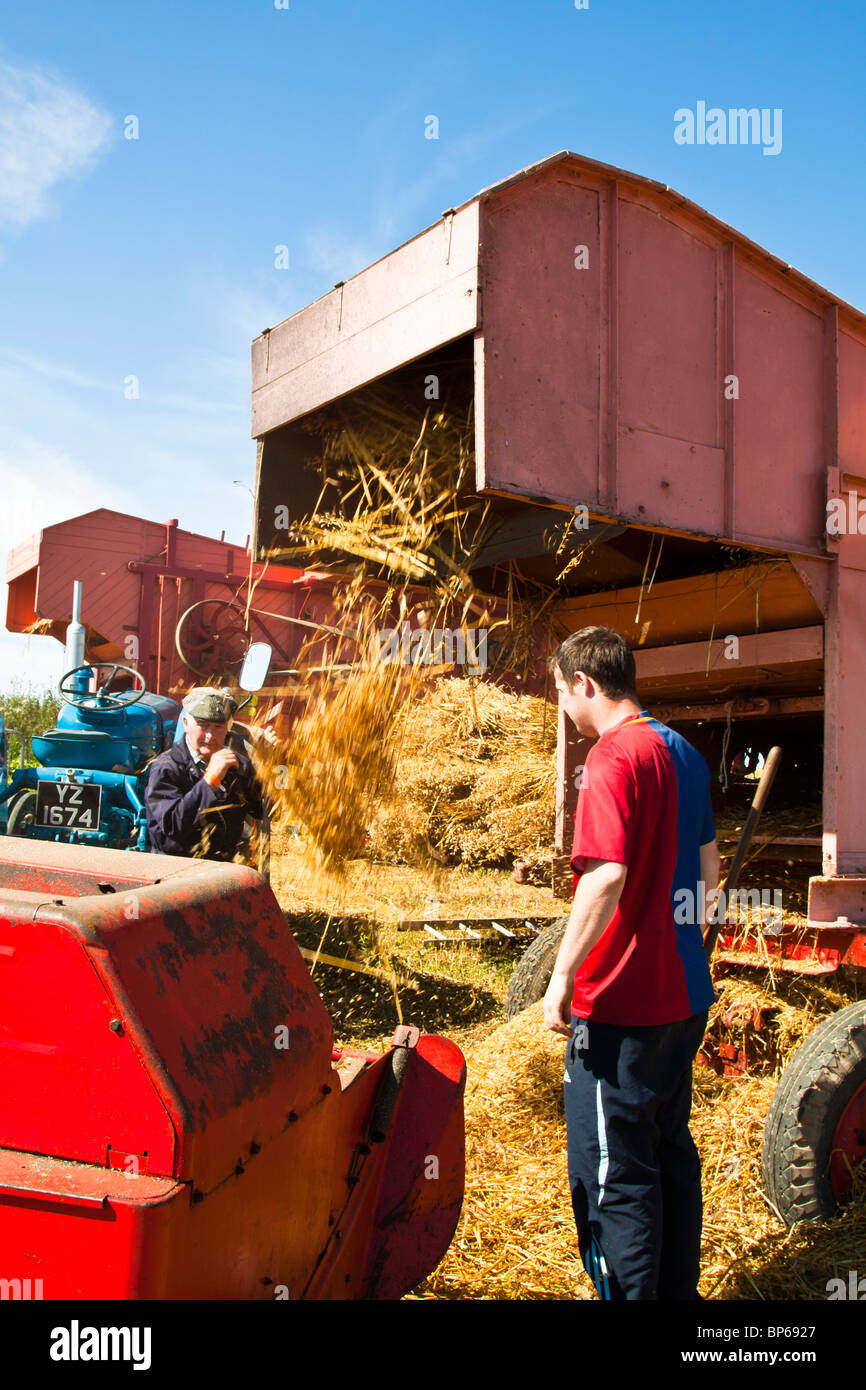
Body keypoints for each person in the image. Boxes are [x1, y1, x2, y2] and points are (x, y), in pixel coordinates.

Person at [543, 625, 720, 1301]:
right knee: (669, 1151)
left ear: (584, 684)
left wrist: (561, 978)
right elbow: (707, 871)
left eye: (560, 691)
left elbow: (607, 873)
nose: (563, 705)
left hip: (618, 1009)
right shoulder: (684, 753)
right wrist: (683, 950)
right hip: (682, 999)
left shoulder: (613, 759)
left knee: (616, 1175)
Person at [145, 687, 268, 861]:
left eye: (218, 727)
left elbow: (261, 810)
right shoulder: (166, 767)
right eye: (203, 726)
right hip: (174, 868)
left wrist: (262, 772)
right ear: (186, 724)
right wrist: (210, 779)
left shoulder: (237, 764)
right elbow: (173, 827)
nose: (210, 736)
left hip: (221, 869)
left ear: (228, 727)